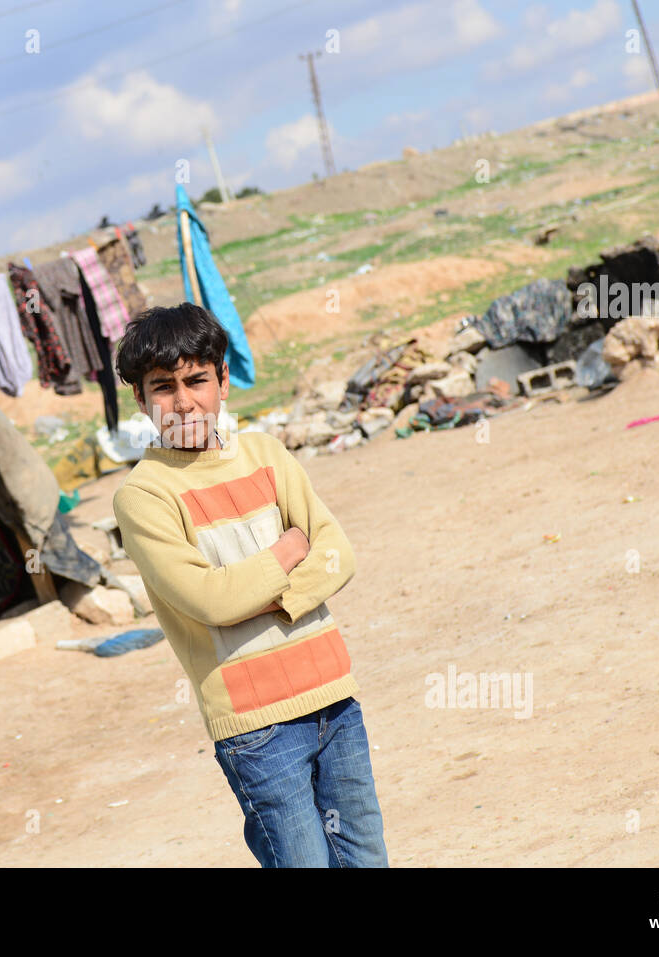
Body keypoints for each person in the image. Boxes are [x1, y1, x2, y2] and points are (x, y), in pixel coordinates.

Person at [111, 302, 388, 868]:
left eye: (196, 380)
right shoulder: (144, 496)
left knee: (366, 860)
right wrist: (287, 551)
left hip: (333, 697)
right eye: (163, 387)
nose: (183, 401)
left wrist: (271, 599)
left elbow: (338, 553)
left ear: (223, 382)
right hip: (255, 727)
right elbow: (210, 600)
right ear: (140, 400)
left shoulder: (265, 454)